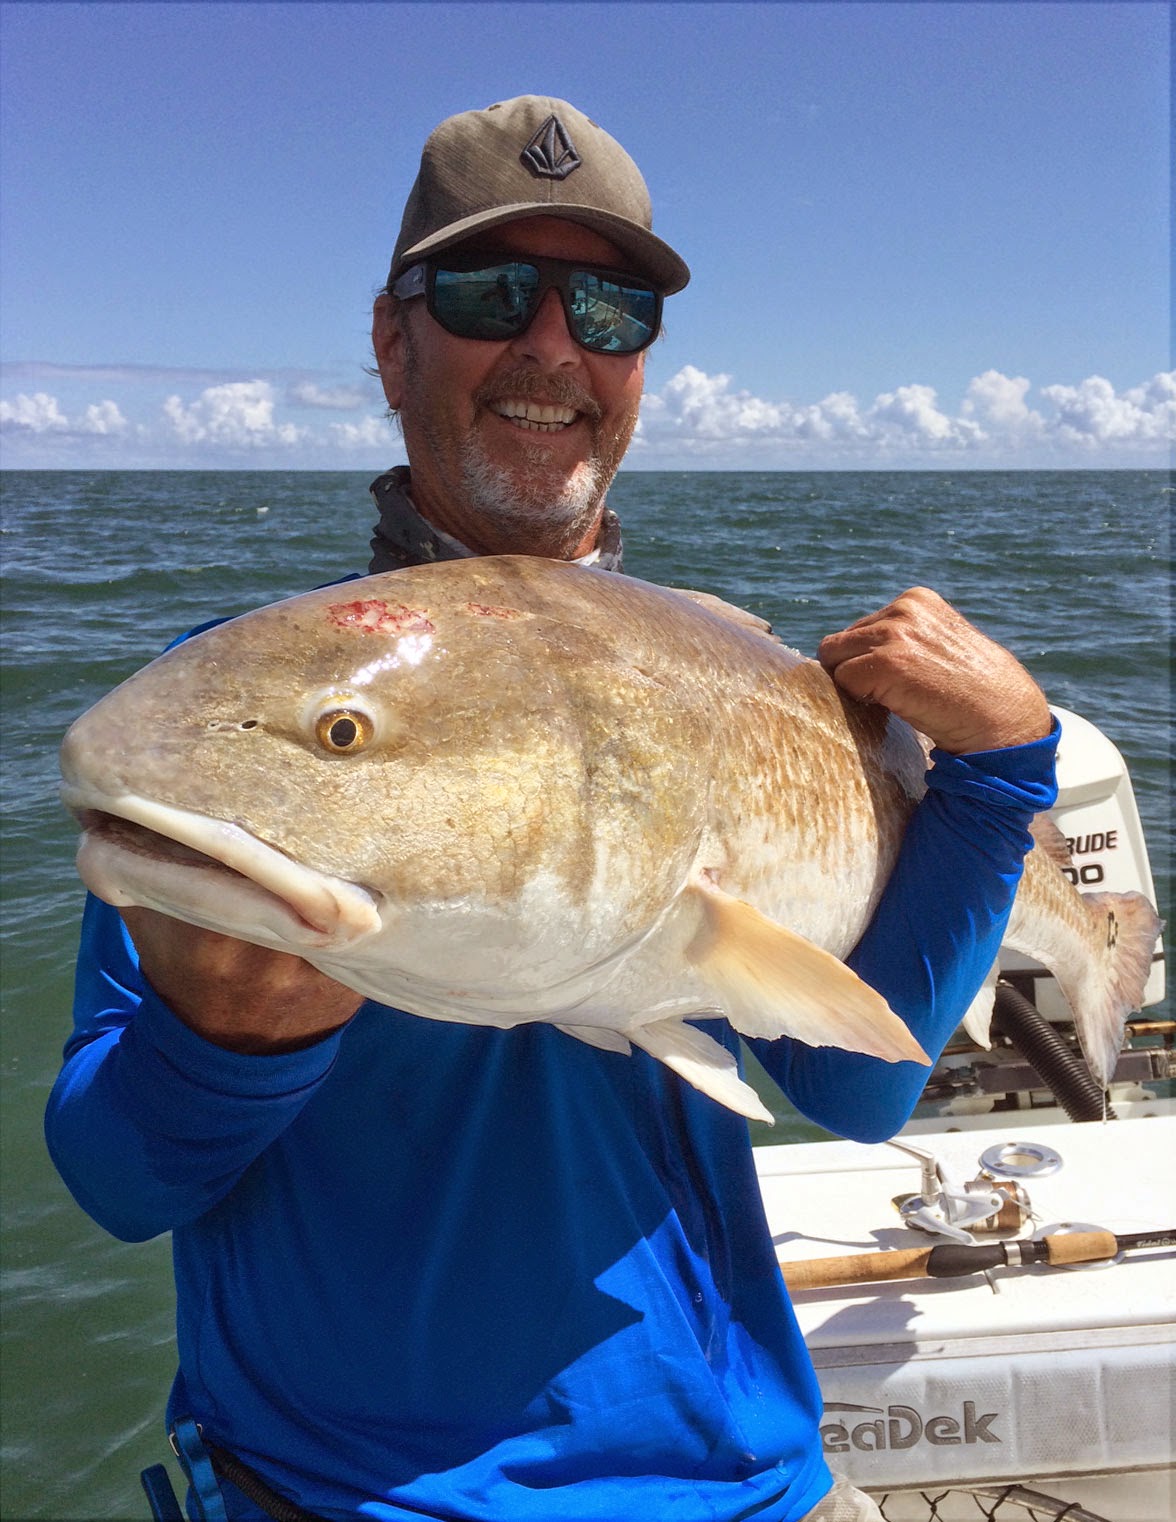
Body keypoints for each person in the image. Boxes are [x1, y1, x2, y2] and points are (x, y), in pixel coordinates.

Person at [46, 96, 1058, 1522]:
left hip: (745, 1488)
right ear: (391, 343)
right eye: (487, 291)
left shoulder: (743, 685)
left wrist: (1003, 775)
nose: (552, 345)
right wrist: (223, 1040)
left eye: (608, 308)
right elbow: (117, 1180)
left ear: (639, 365)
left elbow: (854, 1089)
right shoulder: (238, 723)